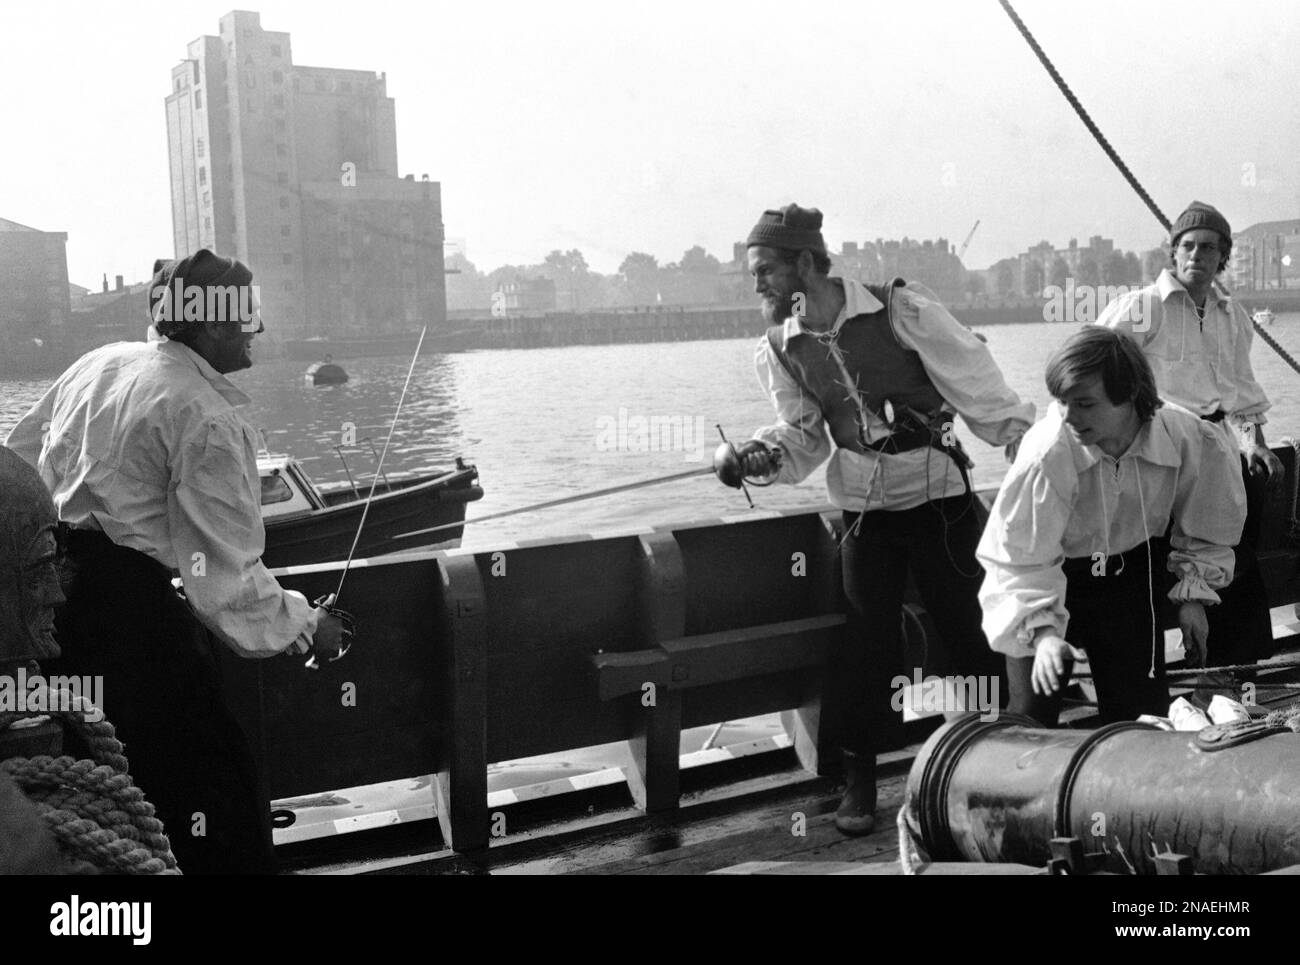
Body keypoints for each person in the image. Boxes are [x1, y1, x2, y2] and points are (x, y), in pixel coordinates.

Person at [4, 249, 346, 874]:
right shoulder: (207, 416)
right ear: (211, 324)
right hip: (127, 622)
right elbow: (224, 581)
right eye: (247, 318)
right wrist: (306, 625)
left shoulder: (98, 364)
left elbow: (18, 464)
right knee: (209, 788)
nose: (257, 331)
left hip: (48, 612)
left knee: (93, 785)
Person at [731, 203, 1035, 834]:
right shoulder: (779, 346)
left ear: (808, 264)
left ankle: (1006, 763)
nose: (757, 285)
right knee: (868, 643)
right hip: (863, 507)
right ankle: (861, 780)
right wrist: (761, 457)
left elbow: (973, 380)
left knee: (972, 627)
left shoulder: (900, 309)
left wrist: (1019, 439)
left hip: (938, 495)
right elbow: (805, 437)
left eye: (765, 270)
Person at [978, 328, 1246, 725]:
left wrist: (1194, 595)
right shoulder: (1047, 453)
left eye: (1085, 404)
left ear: (1130, 397)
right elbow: (1019, 557)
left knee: (1141, 719)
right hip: (1050, 579)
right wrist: (1044, 635)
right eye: (1062, 402)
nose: (1069, 416)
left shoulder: (1186, 436)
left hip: (1128, 580)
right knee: (1032, 723)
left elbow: (1209, 517)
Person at [1099, 201, 1281, 666]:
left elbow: (1240, 391)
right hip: (1160, 454)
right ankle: (1154, 679)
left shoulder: (1231, 315)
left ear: (1223, 259)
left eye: (1209, 248)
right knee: (1147, 570)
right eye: (1188, 246)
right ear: (1173, 253)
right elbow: (1092, 369)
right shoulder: (1141, 308)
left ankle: (1236, 670)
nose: (1197, 255)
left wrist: (1255, 442)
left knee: (1235, 561)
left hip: (1218, 455)